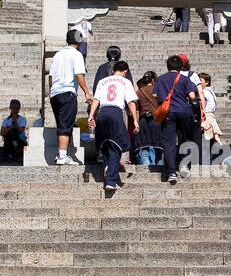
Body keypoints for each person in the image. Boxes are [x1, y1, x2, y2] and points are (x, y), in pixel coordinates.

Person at [88, 59, 140, 196]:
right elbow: (131, 102)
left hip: (102, 113)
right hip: (116, 112)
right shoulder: (126, 82)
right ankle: (111, 180)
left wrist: (91, 116)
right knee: (116, 145)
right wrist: (134, 120)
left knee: (105, 144)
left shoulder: (103, 81)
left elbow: (96, 100)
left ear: (113, 70)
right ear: (125, 71)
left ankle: (108, 166)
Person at [153, 53, 198, 186]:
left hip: (167, 113)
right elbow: (191, 96)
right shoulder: (184, 79)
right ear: (180, 66)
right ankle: (184, 166)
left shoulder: (160, 79)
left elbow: (155, 94)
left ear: (167, 66)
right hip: (183, 111)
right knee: (186, 138)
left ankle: (171, 172)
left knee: (169, 142)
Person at [48, 29, 90, 166]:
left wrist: (52, 90)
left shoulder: (57, 55)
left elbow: (51, 77)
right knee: (66, 125)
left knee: (61, 123)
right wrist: (86, 91)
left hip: (55, 93)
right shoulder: (76, 55)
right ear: (78, 41)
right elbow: (79, 75)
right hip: (68, 92)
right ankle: (62, 156)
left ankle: (63, 153)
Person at [135, 71, 162, 167]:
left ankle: (145, 170)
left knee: (145, 148)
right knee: (158, 149)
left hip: (143, 121)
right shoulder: (158, 90)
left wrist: (136, 123)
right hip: (157, 120)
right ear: (153, 80)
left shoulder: (139, 92)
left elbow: (137, 110)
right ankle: (159, 170)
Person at [0, 99, 28, 165]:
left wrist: (15, 122)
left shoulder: (22, 119)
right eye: (13, 108)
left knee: (15, 133)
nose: (15, 110)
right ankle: (9, 154)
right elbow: (2, 133)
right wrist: (10, 127)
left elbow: (21, 130)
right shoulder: (6, 120)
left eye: (17, 108)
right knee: (9, 134)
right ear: (11, 108)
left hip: (20, 138)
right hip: (9, 139)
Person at [198, 72, 222, 145]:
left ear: (207, 82)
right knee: (210, 134)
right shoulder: (210, 91)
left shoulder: (204, 91)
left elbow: (203, 102)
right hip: (211, 115)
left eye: (200, 80)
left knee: (206, 134)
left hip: (206, 115)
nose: (198, 82)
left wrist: (202, 113)